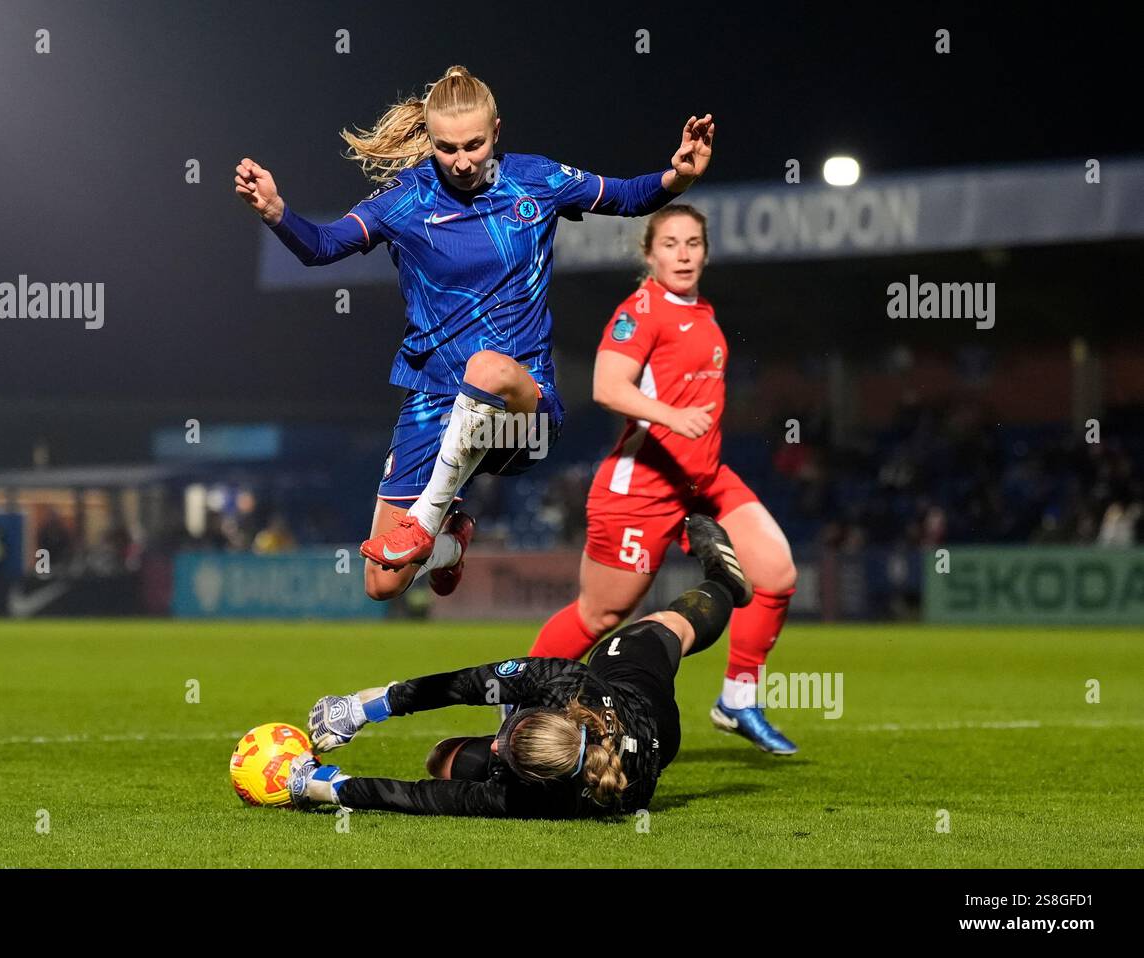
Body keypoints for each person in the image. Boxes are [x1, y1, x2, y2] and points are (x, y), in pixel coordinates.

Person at [236, 65, 715, 601]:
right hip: (431, 403)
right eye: (446, 148)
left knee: (484, 366)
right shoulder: (405, 200)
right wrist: (278, 213)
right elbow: (324, 247)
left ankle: (428, 519)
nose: (462, 161)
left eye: (474, 144)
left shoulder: (535, 180)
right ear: (430, 141)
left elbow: (626, 196)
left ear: (497, 131)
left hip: (521, 414)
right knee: (381, 583)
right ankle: (449, 544)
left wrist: (678, 178)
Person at [526, 205, 800, 754]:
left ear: (705, 251)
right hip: (642, 485)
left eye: (693, 242)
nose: (683, 253)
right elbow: (607, 385)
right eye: (670, 243)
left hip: (704, 478)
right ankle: (524, 700)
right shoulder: (640, 311)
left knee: (776, 573)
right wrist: (672, 418)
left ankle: (738, 701)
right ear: (649, 254)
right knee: (601, 613)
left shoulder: (702, 312)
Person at [285, 514, 751, 818]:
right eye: (505, 743)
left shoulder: (525, 797)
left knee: (440, 760)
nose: (494, 750)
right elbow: (467, 686)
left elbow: (423, 797)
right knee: (669, 628)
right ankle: (725, 583)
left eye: (503, 754)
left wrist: (334, 788)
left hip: (650, 748)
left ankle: (724, 582)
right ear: (551, 711)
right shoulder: (569, 683)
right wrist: (373, 707)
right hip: (640, 707)